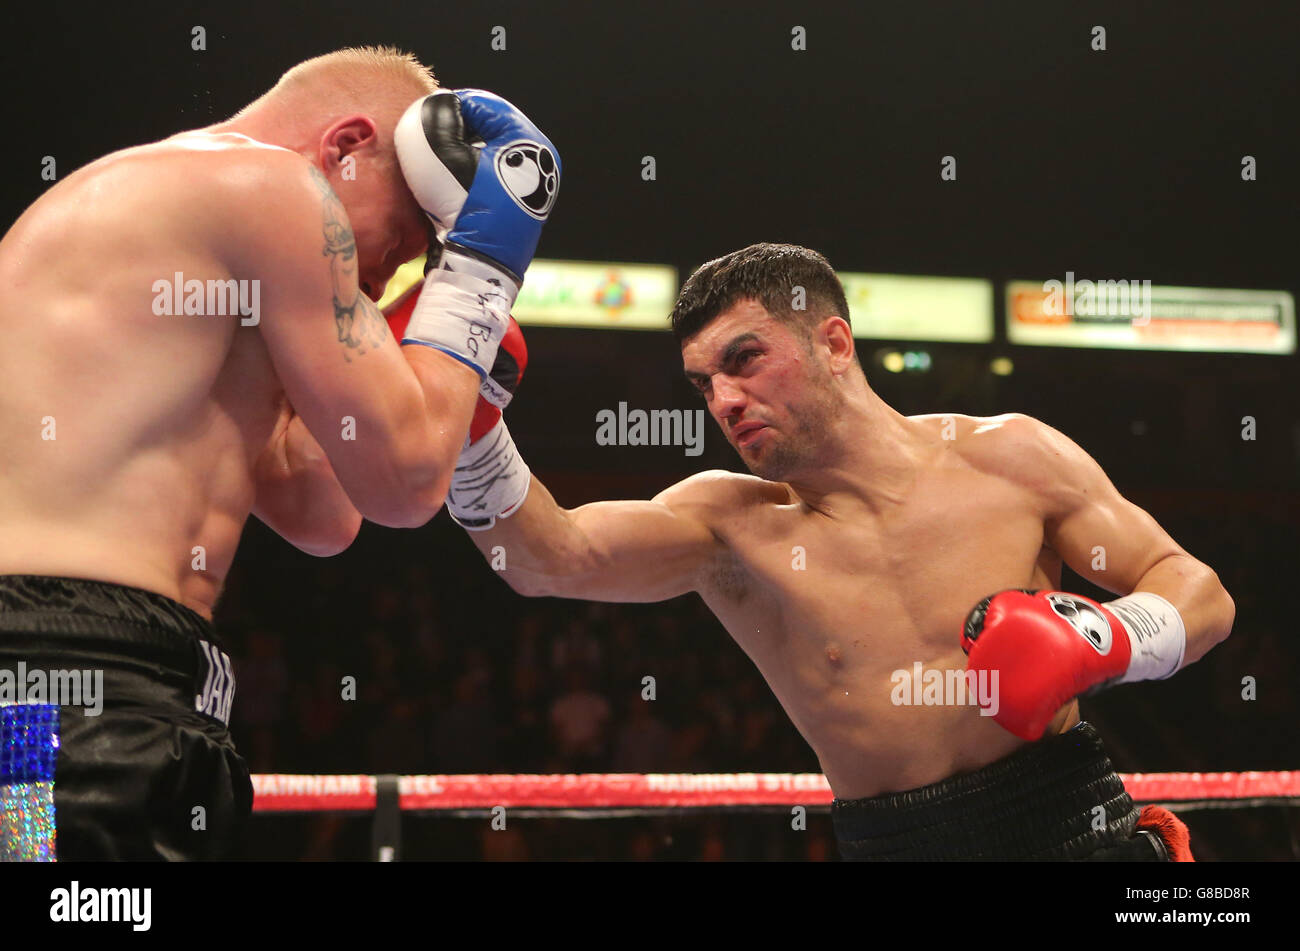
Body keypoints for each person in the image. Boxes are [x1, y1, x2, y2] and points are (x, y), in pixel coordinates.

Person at [393, 242, 1233, 860]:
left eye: (744, 360)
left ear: (834, 344)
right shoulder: (730, 527)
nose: (723, 399)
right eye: (701, 383)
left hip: (1080, 825)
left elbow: (1198, 592)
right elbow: (544, 557)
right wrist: (472, 427)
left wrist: (1102, 643)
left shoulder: (1008, 457)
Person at [0, 46, 557, 859]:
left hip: (63, 691)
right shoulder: (269, 187)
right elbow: (408, 480)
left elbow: (324, 511)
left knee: (44, 872)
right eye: (401, 243)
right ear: (346, 146)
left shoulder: (176, 242)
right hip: (83, 684)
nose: (383, 284)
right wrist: (478, 273)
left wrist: (416, 358)